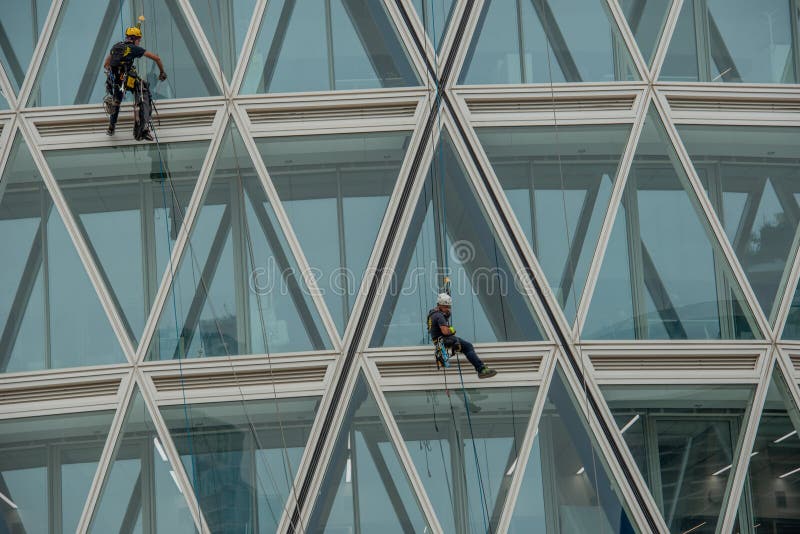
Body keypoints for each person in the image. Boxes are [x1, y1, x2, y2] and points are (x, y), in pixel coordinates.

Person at [103, 24, 167, 140]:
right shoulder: (134, 49)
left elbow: (106, 65)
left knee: (117, 102)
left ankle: (111, 127)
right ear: (134, 39)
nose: (139, 42)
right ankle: (143, 129)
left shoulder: (116, 47)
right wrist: (162, 72)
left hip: (117, 82)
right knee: (143, 91)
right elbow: (156, 58)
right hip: (127, 79)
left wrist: (116, 74)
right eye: (139, 40)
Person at [427, 293, 497, 379]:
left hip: (438, 341)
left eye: (448, 307)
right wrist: (452, 330)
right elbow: (445, 331)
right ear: (440, 305)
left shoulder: (432, 314)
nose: (447, 309)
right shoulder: (439, 316)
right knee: (468, 347)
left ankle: (480, 368)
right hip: (445, 339)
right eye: (446, 307)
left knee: (466, 347)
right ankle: (481, 369)